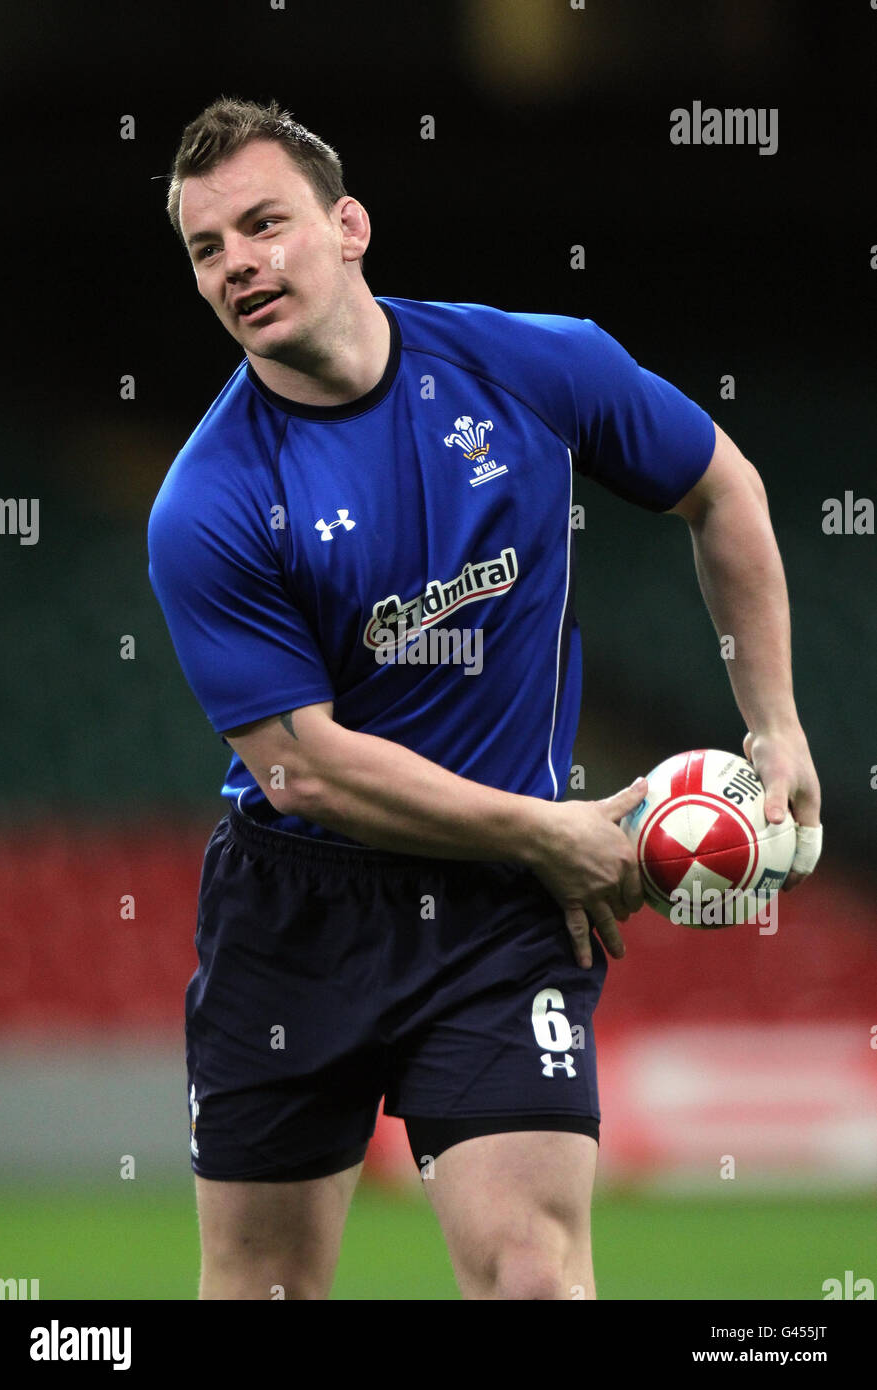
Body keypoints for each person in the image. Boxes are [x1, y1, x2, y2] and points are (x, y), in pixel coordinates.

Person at [148, 97, 822, 1300]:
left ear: (349, 225)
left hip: (499, 919)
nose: (240, 263)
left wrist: (774, 722)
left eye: (265, 223)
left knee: (536, 1277)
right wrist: (552, 832)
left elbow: (724, 490)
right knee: (263, 1290)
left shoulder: (531, 363)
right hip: (298, 912)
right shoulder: (208, 504)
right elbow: (306, 767)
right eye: (209, 248)